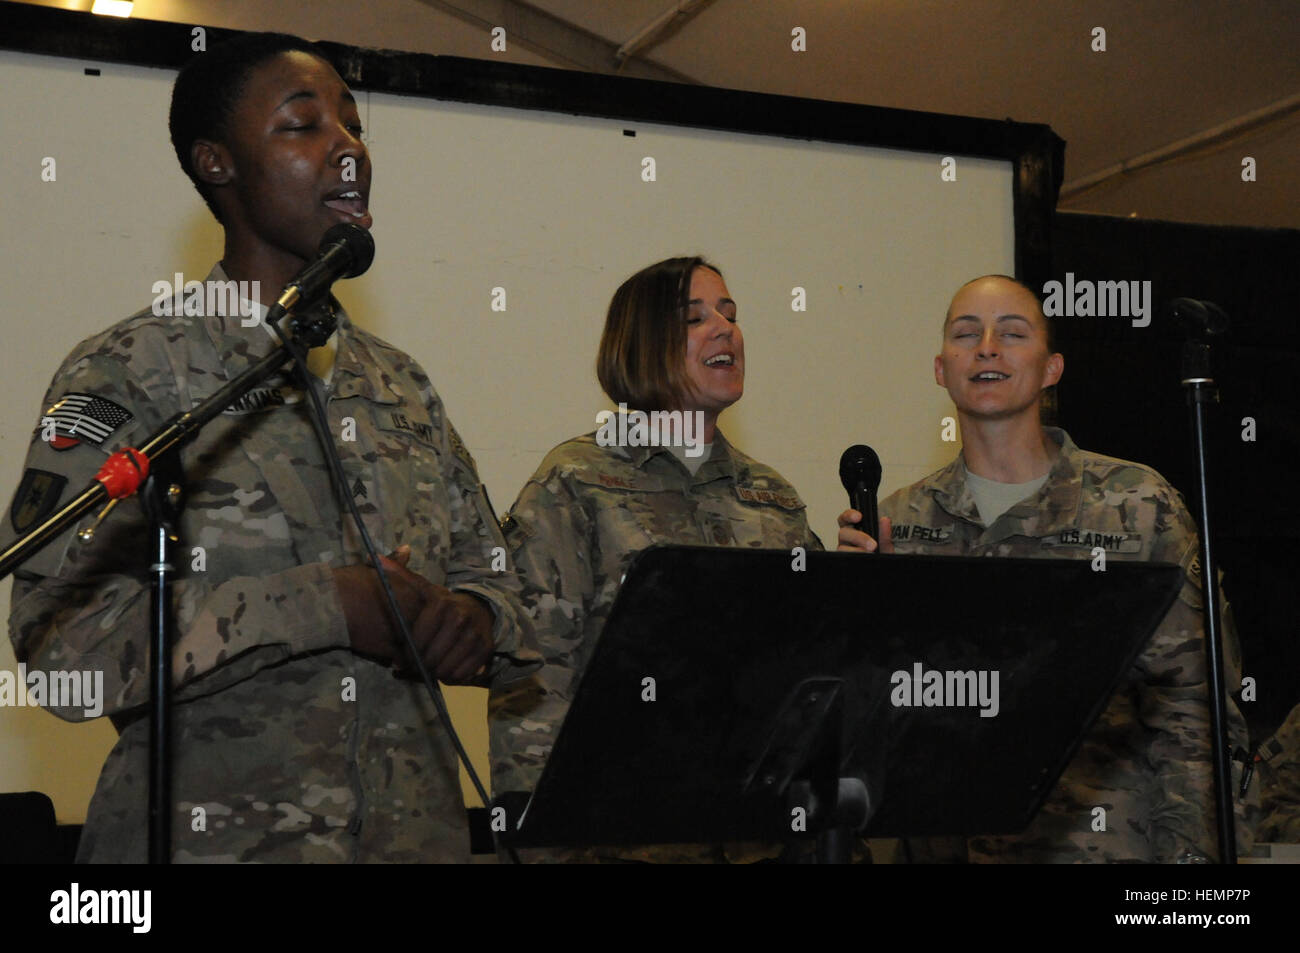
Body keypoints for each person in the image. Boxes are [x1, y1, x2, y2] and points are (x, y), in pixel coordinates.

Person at [3, 32, 536, 863]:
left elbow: (499, 585)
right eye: (304, 125)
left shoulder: (402, 386)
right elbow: (59, 646)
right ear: (217, 163)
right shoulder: (133, 371)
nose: (348, 148)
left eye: (355, 124)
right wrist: (328, 603)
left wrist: (473, 621)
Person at [838, 274, 1252, 862]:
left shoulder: (1136, 505)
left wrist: (1188, 882)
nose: (987, 347)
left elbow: (1194, 711)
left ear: (1052, 368)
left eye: (1012, 333)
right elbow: (870, 724)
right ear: (940, 369)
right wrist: (850, 611)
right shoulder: (897, 521)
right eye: (966, 334)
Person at [488, 256, 824, 861]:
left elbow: (814, 672)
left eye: (730, 314)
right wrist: (537, 841)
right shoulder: (577, 481)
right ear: (641, 346)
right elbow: (535, 676)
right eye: (695, 318)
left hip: (761, 842)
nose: (725, 329)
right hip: (625, 841)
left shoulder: (772, 496)